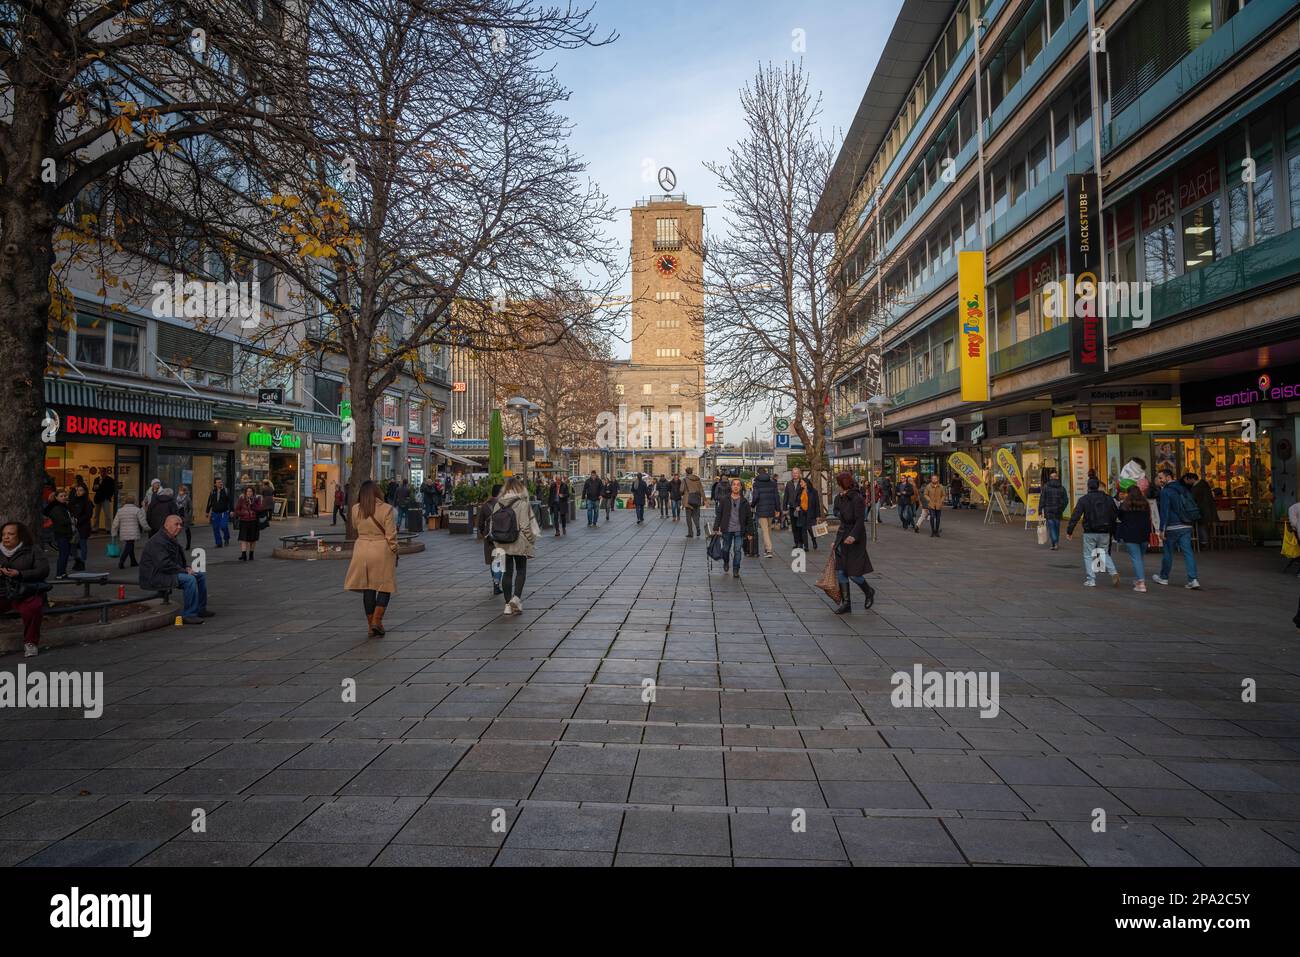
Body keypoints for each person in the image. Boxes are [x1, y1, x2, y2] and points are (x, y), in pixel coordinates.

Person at [344, 479, 399, 637]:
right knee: (384, 586)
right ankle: (377, 620)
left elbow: (355, 527)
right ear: (377, 492)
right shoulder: (386, 509)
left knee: (368, 587)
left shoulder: (355, 509)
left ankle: (370, 625)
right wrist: (395, 550)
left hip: (362, 549)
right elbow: (391, 535)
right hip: (381, 549)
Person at [140, 514, 212, 625]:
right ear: (167, 525)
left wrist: (186, 567)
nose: (179, 527)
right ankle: (189, 614)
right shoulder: (158, 541)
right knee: (189, 580)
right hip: (156, 575)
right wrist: (184, 571)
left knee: (200, 575)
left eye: (180, 525)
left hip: (167, 572)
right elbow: (163, 564)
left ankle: (200, 609)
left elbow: (177, 559)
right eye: (176, 524)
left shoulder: (170, 538)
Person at [0, 521, 50, 657]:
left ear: (20, 536)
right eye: (4, 534)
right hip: (3, 592)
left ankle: (31, 643)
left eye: (10, 534)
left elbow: (43, 570)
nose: (6, 537)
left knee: (33, 607)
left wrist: (20, 574)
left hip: (25, 591)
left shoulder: (33, 549)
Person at [830, 471, 875, 614]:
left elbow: (860, 521)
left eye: (838, 484)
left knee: (854, 573)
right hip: (843, 535)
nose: (837, 487)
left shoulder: (856, 498)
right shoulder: (840, 498)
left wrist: (853, 536)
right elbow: (838, 514)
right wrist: (836, 541)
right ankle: (846, 603)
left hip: (855, 538)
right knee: (841, 570)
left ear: (843, 484)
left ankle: (869, 591)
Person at [491, 476, 536, 615]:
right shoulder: (522, 503)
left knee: (507, 572)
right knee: (521, 570)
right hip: (519, 542)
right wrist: (531, 540)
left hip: (502, 542)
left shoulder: (498, 504)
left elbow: (492, 525)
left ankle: (506, 605)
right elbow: (525, 525)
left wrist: (496, 542)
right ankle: (516, 599)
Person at [1066, 477, 1120, 587]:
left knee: (1088, 555)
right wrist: (1113, 530)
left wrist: (1069, 531)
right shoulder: (1108, 499)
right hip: (1105, 531)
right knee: (1103, 553)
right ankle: (1113, 571)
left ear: (1088, 487)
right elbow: (1114, 514)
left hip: (1089, 531)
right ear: (1098, 486)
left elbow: (1076, 515)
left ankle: (1091, 580)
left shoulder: (1084, 499)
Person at [1154, 468, 1200, 589]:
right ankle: (1193, 579)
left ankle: (1164, 577)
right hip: (1186, 524)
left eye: (1161, 478)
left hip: (1172, 526)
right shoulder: (1184, 488)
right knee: (1188, 552)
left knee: (1168, 553)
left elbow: (1164, 511)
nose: (1160, 480)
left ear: (1168, 477)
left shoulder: (1166, 492)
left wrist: (1161, 529)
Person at [1115, 484, 1152, 592]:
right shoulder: (1145, 504)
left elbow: (1120, 517)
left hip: (1130, 535)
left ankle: (1141, 583)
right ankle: (1138, 579)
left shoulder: (1125, 505)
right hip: (1144, 535)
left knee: (1136, 558)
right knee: (1140, 558)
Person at [716, 478, 752, 579]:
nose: (736, 486)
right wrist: (716, 526)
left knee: (737, 550)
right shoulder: (724, 499)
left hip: (739, 530)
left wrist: (750, 532)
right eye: (734, 484)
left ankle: (736, 569)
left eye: (738, 485)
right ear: (731, 487)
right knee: (725, 549)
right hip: (727, 529)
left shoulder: (744, 501)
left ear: (740, 487)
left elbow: (749, 517)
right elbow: (719, 513)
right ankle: (726, 561)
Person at [783, 467, 820, 553]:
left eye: (796, 473)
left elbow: (816, 504)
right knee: (797, 528)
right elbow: (787, 496)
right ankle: (800, 544)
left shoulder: (810, 490)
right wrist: (785, 508)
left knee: (808, 529)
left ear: (799, 474)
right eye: (793, 473)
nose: (795, 474)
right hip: (797, 510)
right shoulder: (789, 484)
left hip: (807, 512)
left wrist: (817, 515)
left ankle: (809, 542)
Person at [477, 482, 505, 594]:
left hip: (489, 537)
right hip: (501, 537)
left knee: (493, 560)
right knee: (499, 561)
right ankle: (497, 584)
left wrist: (483, 533)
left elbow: (479, 523)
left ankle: (495, 583)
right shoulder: (503, 505)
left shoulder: (485, 505)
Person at [110, 494, 148, 569]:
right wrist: (147, 528)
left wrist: (113, 533)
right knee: (129, 546)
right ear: (133, 501)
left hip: (124, 532)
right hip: (133, 531)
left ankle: (133, 561)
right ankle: (121, 561)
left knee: (130, 545)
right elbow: (142, 521)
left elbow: (115, 523)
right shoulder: (137, 510)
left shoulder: (120, 510)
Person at [750, 467, 780, 558]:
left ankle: (769, 550)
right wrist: (778, 509)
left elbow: (755, 497)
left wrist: (752, 505)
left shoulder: (756, 484)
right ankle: (766, 548)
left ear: (758, 473)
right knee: (769, 529)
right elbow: (776, 497)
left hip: (761, 509)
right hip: (771, 509)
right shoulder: (773, 483)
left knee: (764, 530)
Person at [43, 489, 74, 579]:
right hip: (61, 534)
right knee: (63, 555)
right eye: (61, 496)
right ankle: (59, 574)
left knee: (66, 554)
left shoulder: (64, 506)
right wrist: (72, 520)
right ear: (56, 497)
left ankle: (63, 573)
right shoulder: (56, 508)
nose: (64, 497)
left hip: (66, 533)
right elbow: (62, 521)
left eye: (65, 495)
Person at [1039, 470, 1068, 550]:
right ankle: (1055, 543)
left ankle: (1054, 542)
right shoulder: (1062, 488)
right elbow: (1066, 500)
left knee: (1051, 527)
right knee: (1056, 527)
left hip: (1048, 511)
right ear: (1057, 478)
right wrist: (1062, 508)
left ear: (1050, 478)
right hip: (1058, 511)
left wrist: (1040, 510)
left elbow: (1042, 499)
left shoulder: (1045, 487)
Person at [1187, 472, 1217, 548]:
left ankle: (1204, 542)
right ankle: (1206, 542)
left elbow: (1192, 498)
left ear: (1192, 479)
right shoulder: (1204, 484)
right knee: (1204, 525)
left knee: (1201, 525)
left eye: (1188, 479)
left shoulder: (1197, 487)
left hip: (1201, 510)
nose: (1187, 482)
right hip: (1207, 509)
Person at [68, 483, 93, 571]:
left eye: (81, 490)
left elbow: (88, 515)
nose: (78, 492)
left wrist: (78, 520)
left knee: (83, 544)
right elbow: (69, 511)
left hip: (83, 526)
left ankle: (82, 561)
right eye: (77, 490)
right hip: (74, 526)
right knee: (73, 545)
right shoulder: (73, 501)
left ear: (85, 491)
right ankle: (77, 560)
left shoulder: (87, 502)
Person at [234, 485, 262, 561]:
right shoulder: (242, 499)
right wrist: (243, 513)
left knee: (253, 539)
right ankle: (243, 555)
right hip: (244, 521)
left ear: (253, 492)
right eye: (248, 491)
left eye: (251, 491)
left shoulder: (257, 499)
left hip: (254, 521)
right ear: (245, 492)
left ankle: (251, 554)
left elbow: (259, 509)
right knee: (244, 538)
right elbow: (237, 510)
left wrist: (252, 504)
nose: (249, 493)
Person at [206, 478, 232, 547]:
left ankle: (226, 538)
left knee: (223, 526)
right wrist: (207, 511)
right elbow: (209, 502)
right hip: (215, 513)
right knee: (215, 528)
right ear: (215, 484)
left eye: (221, 482)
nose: (220, 483)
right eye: (218, 482)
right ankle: (219, 543)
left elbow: (230, 501)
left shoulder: (226, 491)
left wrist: (231, 510)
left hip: (224, 512)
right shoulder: (212, 492)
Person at [681, 467, 704, 538]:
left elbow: (681, 490)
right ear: (692, 472)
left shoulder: (684, 480)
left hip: (688, 501)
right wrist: (705, 500)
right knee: (696, 516)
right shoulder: (698, 479)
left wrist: (683, 493)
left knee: (688, 517)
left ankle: (690, 533)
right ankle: (698, 527)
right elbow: (701, 490)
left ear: (686, 472)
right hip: (697, 500)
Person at [175, 484, 193, 551]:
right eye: (180, 490)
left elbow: (191, 508)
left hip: (185, 516)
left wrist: (188, 517)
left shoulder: (187, 498)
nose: (180, 492)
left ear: (184, 491)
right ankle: (176, 545)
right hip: (178, 516)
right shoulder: (177, 498)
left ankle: (188, 545)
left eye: (182, 490)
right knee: (176, 530)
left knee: (187, 530)